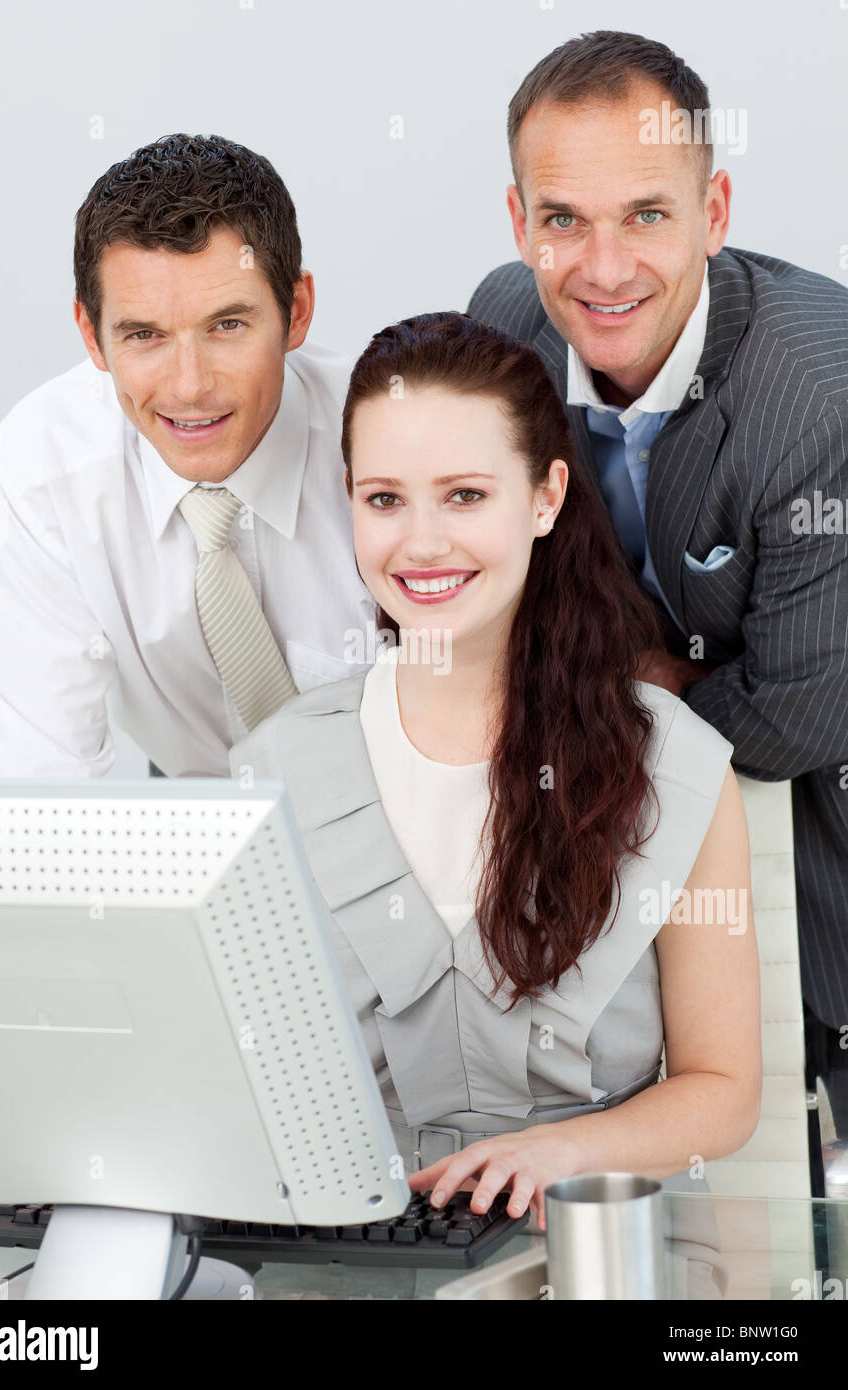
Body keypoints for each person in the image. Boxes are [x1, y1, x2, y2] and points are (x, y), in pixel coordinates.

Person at [229, 311, 762, 1232]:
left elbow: (723, 1091)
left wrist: (560, 1154)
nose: (421, 543)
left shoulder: (672, 762)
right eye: (384, 500)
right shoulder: (273, 769)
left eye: (466, 495)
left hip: (599, 1247)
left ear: (546, 497)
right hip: (350, 1264)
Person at [466, 31, 848, 1148]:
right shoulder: (503, 327)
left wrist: (598, 686)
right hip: (611, 870)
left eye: (645, 212)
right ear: (518, 219)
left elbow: (795, 714)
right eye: (563, 219)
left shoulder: (820, 390)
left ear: (714, 209)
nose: (603, 265)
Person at [0, 132, 374, 778]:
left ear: (296, 312)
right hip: (197, 844)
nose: (188, 386)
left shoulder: (385, 442)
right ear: (91, 338)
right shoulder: (43, 472)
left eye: (227, 326)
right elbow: (39, 794)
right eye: (144, 336)